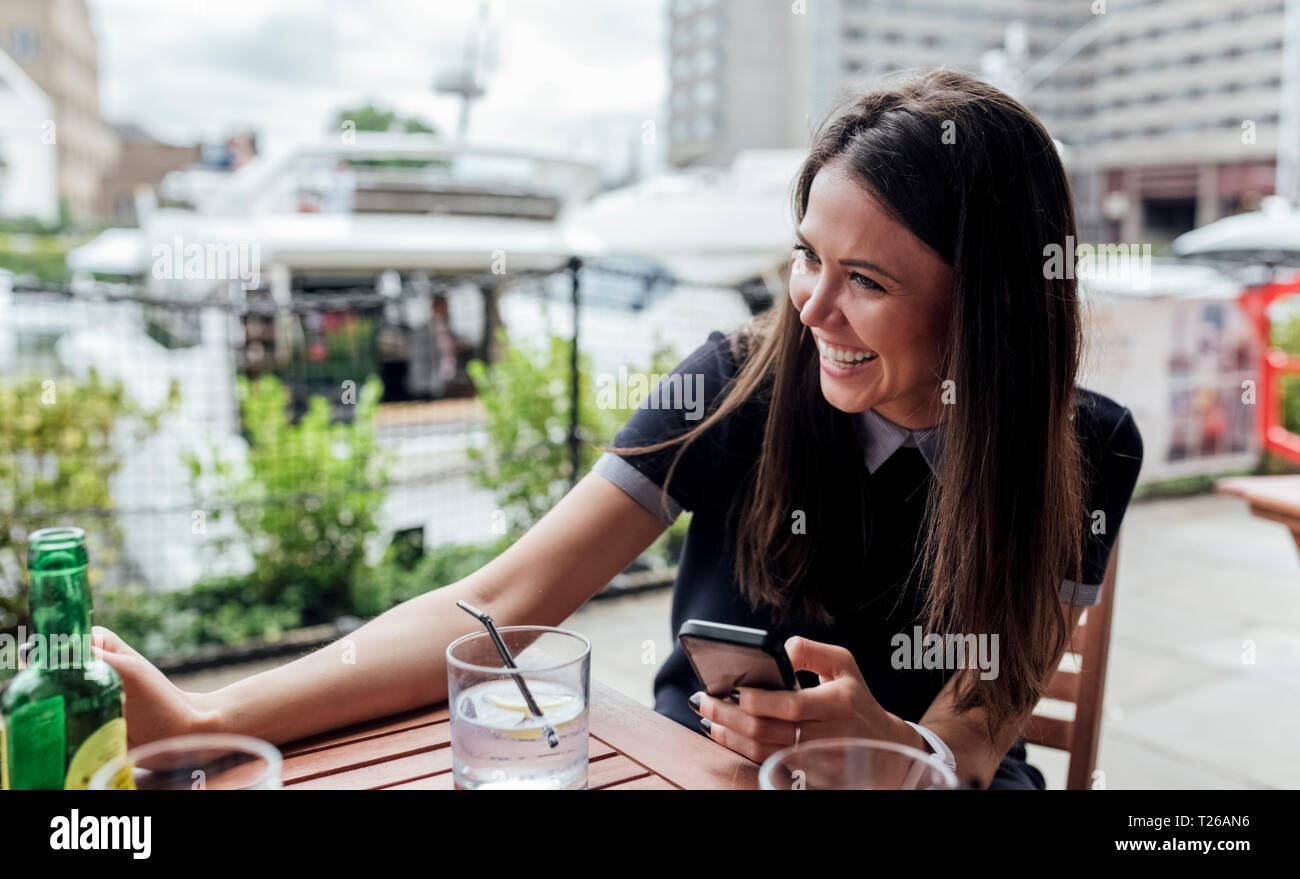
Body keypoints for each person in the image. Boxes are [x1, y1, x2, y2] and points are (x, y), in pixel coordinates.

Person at [90, 69, 1142, 789]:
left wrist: (889, 751)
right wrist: (205, 719)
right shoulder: (734, 384)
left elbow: (978, 731)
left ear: (991, 306)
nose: (812, 307)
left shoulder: (1089, 449)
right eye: (806, 256)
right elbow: (497, 606)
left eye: (865, 280)